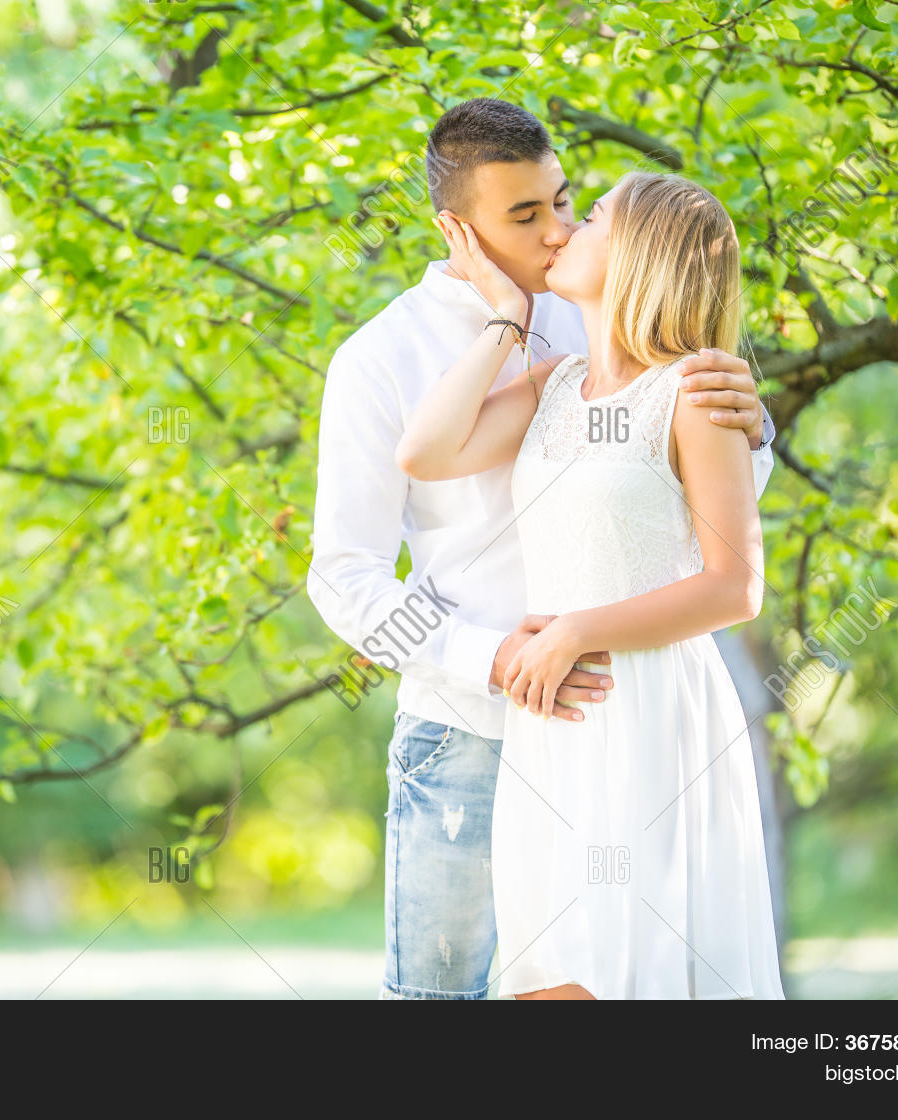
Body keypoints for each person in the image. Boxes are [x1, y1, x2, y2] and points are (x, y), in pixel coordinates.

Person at [307, 97, 775, 1000]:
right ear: (457, 228)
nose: (558, 231)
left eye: (566, 202)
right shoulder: (380, 359)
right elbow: (344, 575)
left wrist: (755, 431)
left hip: (629, 713)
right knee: (446, 1000)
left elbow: (702, 515)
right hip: (472, 727)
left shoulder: (601, 304)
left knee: (636, 976)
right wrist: (494, 656)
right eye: (526, 216)